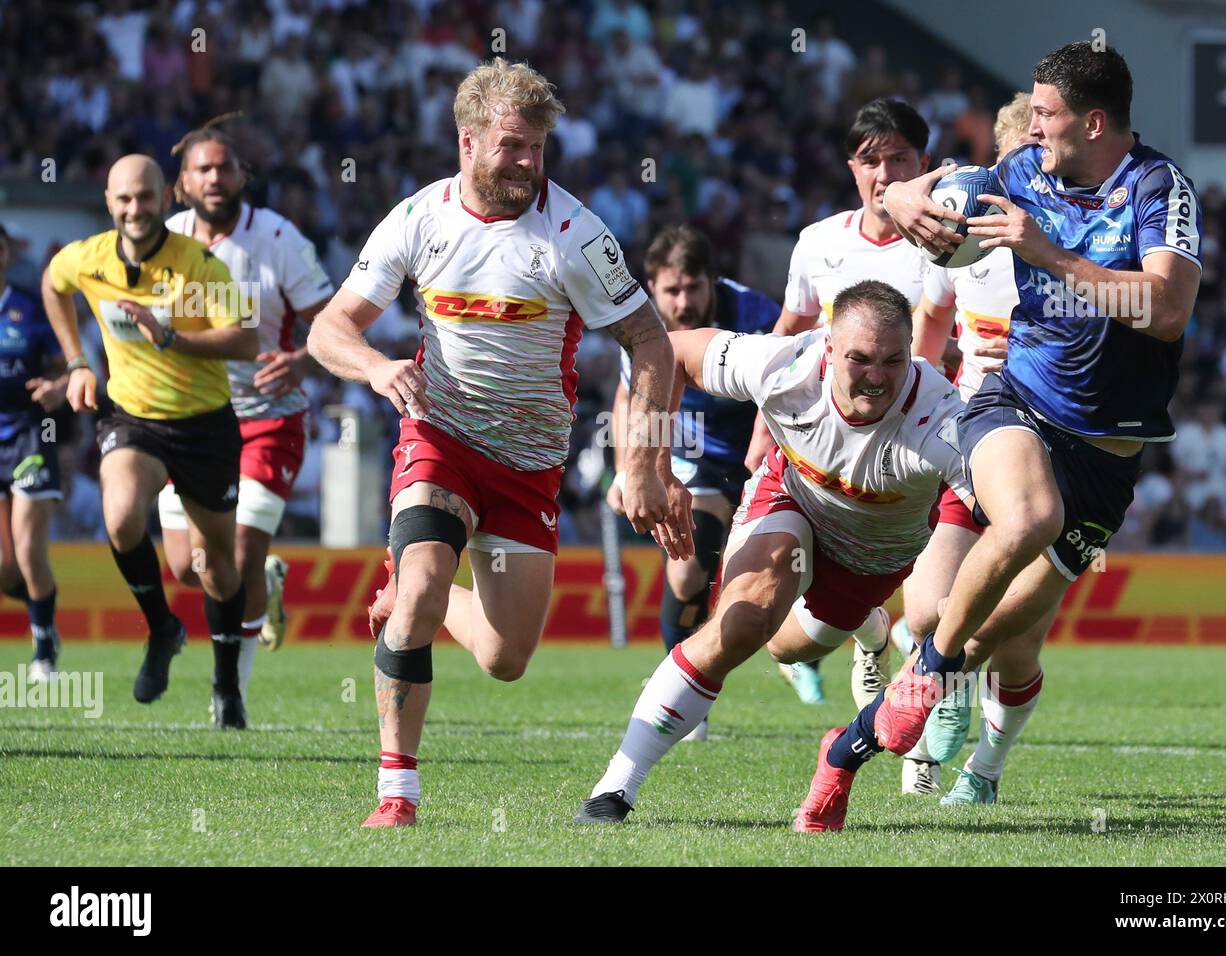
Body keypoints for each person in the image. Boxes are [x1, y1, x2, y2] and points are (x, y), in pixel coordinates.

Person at [793, 41, 1202, 829]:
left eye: (1043, 113)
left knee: (984, 643)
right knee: (1022, 523)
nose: (1028, 126)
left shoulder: (1159, 187)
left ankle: (844, 752)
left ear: (1091, 121)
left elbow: (1168, 308)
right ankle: (925, 680)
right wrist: (910, 202)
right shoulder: (1021, 170)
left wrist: (1042, 250)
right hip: (1013, 406)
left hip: (1107, 461)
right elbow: (922, 190)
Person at [306, 59, 691, 829]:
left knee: (506, 660)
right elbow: (328, 328)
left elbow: (651, 343)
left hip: (529, 464)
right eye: (512, 146)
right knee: (417, 586)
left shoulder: (576, 233)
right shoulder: (419, 218)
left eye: (537, 150)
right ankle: (397, 795)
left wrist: (642, 461)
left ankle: (423, 593)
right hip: (439, 438)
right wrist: (380, 367)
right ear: (467, 141)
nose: (526, 164)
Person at [574, 280, 971, 825]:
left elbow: (999, 510)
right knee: (744, 621)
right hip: (792, 498)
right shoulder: (787, 364)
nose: (876, 377)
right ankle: (615, 788)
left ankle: (871, 630)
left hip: (869, 559)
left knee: (789, 650)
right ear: (828, 349)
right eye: (859, 358)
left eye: (892, 361)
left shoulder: (942, 420)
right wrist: (651, 465)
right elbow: (672, 352)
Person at [41, 154, 259, 726]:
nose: (135, 209)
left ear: (166, 198)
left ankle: (225, 684)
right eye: (123, 200)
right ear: (109, 203)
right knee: (120, 518)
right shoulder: (86, 257)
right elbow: (52, 283)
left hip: (205, 425)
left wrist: (171, 340)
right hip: (133, 420)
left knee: (215, 565)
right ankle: (162, 627)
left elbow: (246, 340)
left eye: (144, 197)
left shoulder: (200, 264)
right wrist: (77, 363)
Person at [881, 92, 1037, 798]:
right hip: (974, 438)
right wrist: (911, 406)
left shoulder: (1074, 244)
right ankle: (943, 682)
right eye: (1010, 170)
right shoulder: (959, 240)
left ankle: (985, 770)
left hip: (1053, 456)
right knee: (925, 610)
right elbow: (932, 329)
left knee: (1013, 645)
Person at [754, 98, 934, 705]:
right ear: (852, 168)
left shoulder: (944, 247)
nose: (885, 174)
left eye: (899, 158)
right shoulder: (817, 243)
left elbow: (945, 347)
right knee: (786, 640)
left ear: (923, 162)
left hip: (918, 449)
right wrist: (762, 428)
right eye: (871, 160)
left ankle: (929, 753)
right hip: (822, 450)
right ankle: (873, 632)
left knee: (938, 605)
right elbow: (786, 336)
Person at [156, 116, 334, 711]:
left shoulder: (279, 239)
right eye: (201, 169)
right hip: (190, 420)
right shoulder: (168, 238)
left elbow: (335, 324)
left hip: (268, 416)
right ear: (182, 183)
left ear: (242, 176)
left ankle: (231, 691)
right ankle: (269, 586)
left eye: (224, 167)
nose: (214, 177)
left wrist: (301, 362)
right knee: (189, 566)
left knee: (237, 554)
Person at [606, 225, 778, 741]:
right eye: (670, 291)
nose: (682, 302)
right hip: (691, 459)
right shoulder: (643, 331)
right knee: (686, 575)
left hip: (761, 453)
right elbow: (628, 399)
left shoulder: (757, 316)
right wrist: (628, 468)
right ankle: (685, 702)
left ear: (712, 282)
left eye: (692, 288)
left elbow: (781, 392)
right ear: (652, 289)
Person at [0, 222, 68, 680]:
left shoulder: (29, 309)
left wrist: (58, 388)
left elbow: (74, 368)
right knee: (5, 568)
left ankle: (44, 650)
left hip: (30, 436)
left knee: (28, 548)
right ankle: (44, 613)